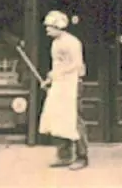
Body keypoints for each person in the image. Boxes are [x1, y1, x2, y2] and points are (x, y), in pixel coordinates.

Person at [38, 10, 89, 171]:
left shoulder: (72, 42)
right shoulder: (55, 43)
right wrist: (50, 80)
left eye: (50, 27)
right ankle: (65, 155)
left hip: (73, 84)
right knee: (59, 118)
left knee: (74, 120)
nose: (47, 29)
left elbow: (76, 64)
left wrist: (56, 74)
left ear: (58, 26)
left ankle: (82, 157)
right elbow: (57, 65)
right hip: (60, 85)